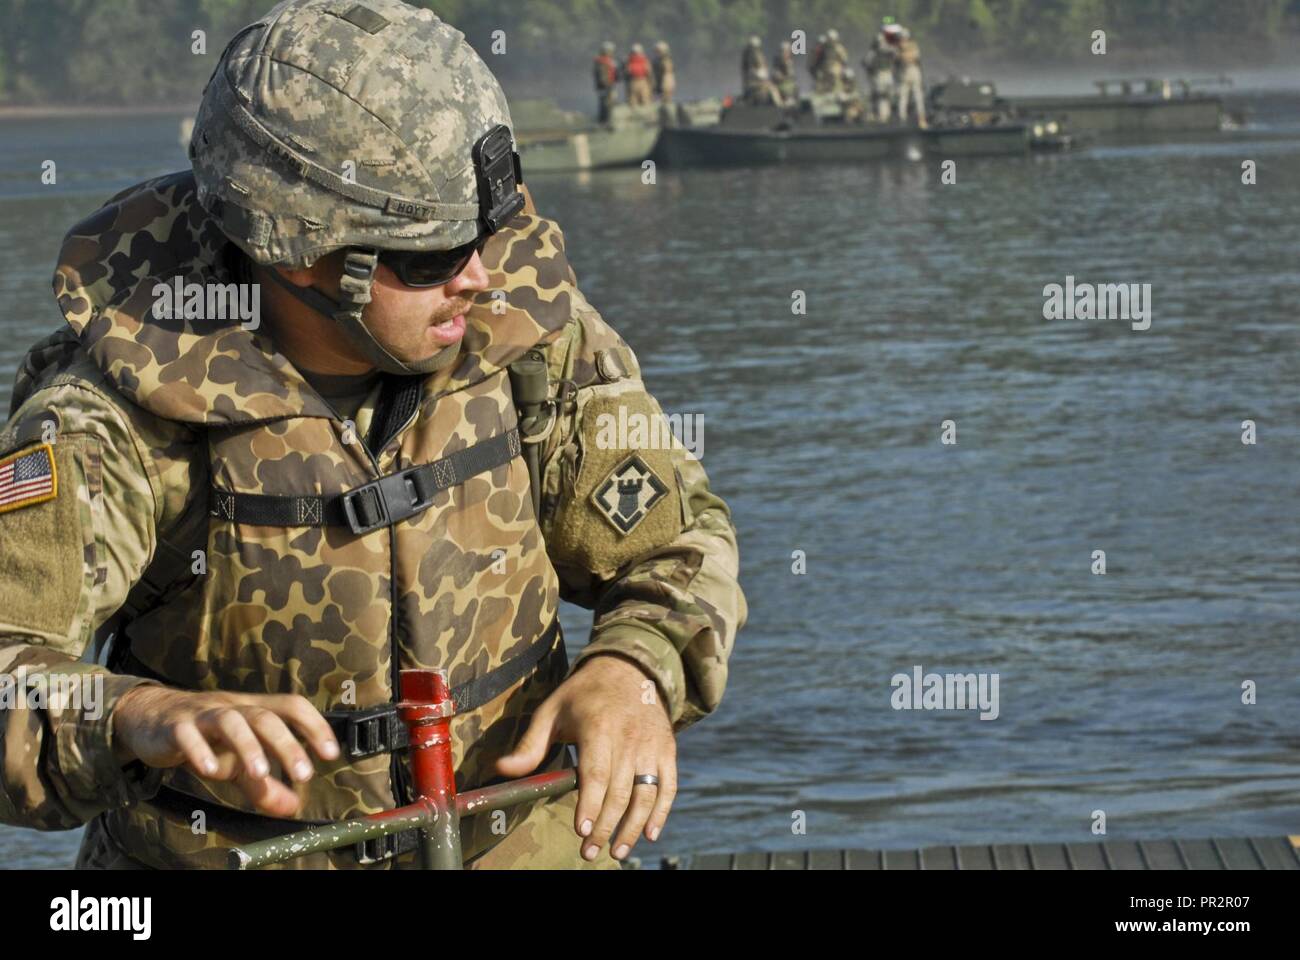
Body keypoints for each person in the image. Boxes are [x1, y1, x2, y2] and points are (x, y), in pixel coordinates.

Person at [0, 0, 746, 870]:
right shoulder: (114, 419)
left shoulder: (528, 338)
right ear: (296, 255)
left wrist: (637, 670)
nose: (475, 278)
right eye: (426, 258)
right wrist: (135, 716)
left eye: (483, 235)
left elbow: (679, 543)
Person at [864, 23, 901, 122]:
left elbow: (868, 60)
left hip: (884, 73)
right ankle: (882, 117)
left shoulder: (886, 46)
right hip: (882, 73)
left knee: (883, 95)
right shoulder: (887, 45)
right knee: (882, 95)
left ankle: (882, 116)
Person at [896, 27, 928, 127]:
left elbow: (897, 60)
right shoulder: (913, 46)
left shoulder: (899, 48)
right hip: (912, 71)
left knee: (905, 97)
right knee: (916, 96)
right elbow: (917, 58)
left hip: (906, 71)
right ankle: (921, 120)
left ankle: (903, 119)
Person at [594, 40, 620, 121]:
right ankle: (605, 121)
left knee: (610, 103)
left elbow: (615, 74)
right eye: (610, 51)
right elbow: (601, 76)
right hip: (605, 86)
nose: (611, 52)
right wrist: (606, 85)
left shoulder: (610, 61)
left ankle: (607, 120)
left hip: (610, 85)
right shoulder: (601, 61)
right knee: (605, 104)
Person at [624, 42, 653, 106]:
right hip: (642, 81)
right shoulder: (644, 60)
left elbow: (627, 73)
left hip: (634, 82)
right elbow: (649, 72)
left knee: (633, 100)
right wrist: (650, 83)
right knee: (644, 100)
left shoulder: (629, 60)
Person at [823, 28, 849, 95]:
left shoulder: (824, 48)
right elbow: (845, 60)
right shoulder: (838, 47)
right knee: (837, 87)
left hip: (827, 71)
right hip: (835, 71)